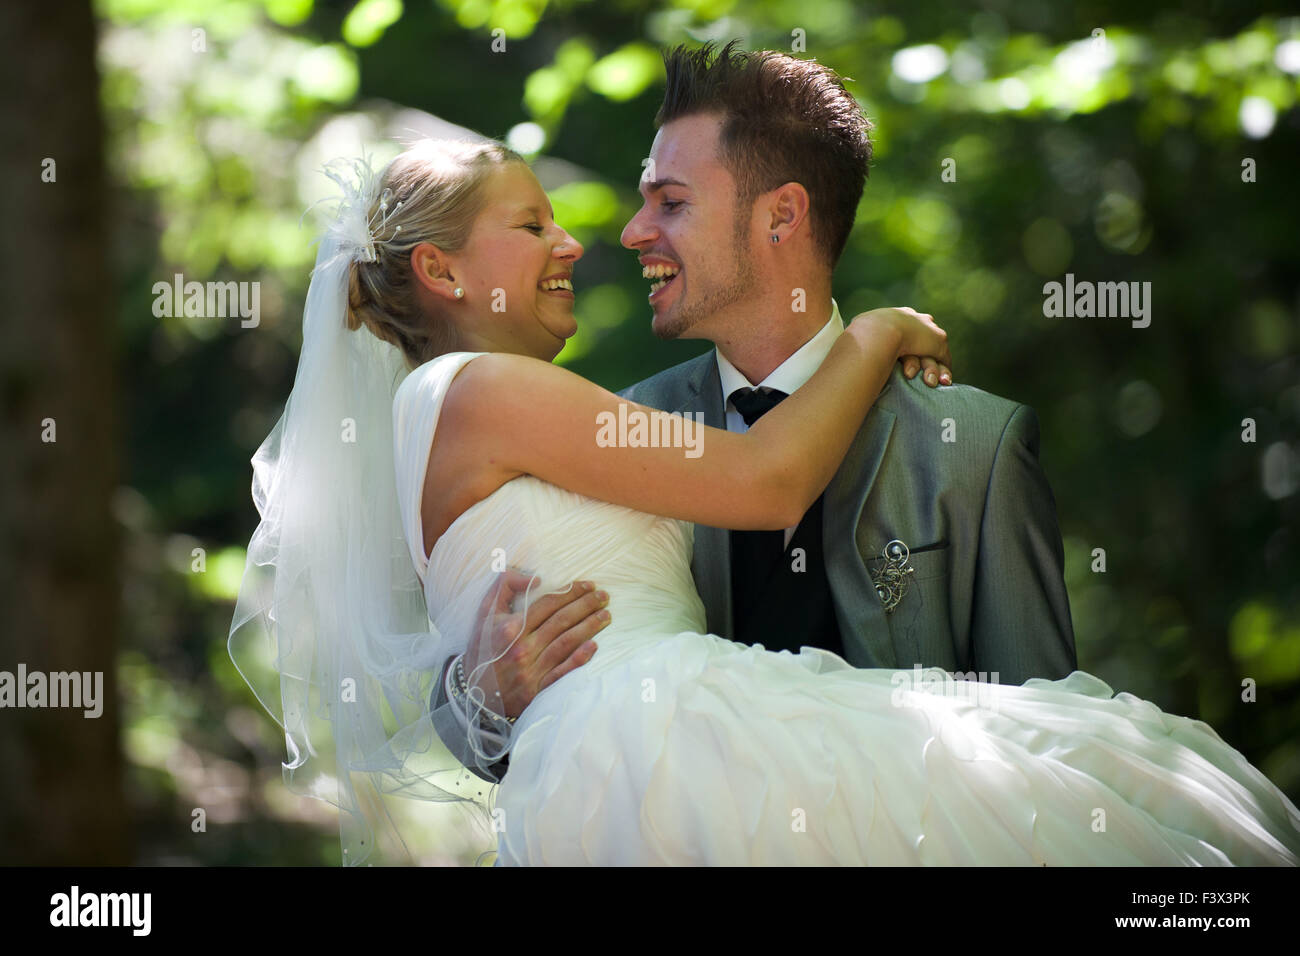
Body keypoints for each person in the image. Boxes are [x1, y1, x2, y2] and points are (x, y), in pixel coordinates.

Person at [229, 137, 1300, 866]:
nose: (574, 245)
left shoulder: (455, 409)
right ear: (443, 270)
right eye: (530, 226)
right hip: (655, 746)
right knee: (1105, 800)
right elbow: (763, 479)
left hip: (610, 759)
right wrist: (876, 330)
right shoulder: (482, 390)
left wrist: (482, 686)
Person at [433, 41, 1076, 788]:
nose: (634, 232)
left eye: (670, 203)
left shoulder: (975, 446)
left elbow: (1052, 740)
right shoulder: (618, 427)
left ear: (783, 216)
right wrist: (484, 695)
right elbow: (496, 707)